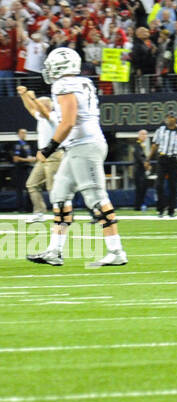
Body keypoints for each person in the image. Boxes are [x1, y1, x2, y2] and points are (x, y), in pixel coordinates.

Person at [26, 47, 129, 268]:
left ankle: (116, 250)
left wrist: (48, 148)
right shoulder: (83, 82)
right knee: (60, 195)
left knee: (96, 198)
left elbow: (69, 121)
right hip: (78, 146)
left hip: (85, 146)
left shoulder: (64, 85)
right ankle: (54, 250)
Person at [16, 88, 58, 223]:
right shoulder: (41, 117)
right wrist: (23, 95)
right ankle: (39, 212)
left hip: (54, 155)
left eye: (38, 104)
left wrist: (33, 98)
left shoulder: (53, 116)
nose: (35, 107)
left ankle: (63, 214)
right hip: (43, 156)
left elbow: (41, 110)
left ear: (45, 106)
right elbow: (30, 108)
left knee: (53, 188)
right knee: (32, 184)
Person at [149, 112, 177, 219]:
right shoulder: (160, 130)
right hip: (162, 158)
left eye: (171, 117)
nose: (169, 119)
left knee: (173, 186)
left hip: (174, 160)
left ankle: (171, 210)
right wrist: (148, 159)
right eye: (167, 117)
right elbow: (155, 145)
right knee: (159, 185)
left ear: (175, 119)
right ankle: (161, 209)